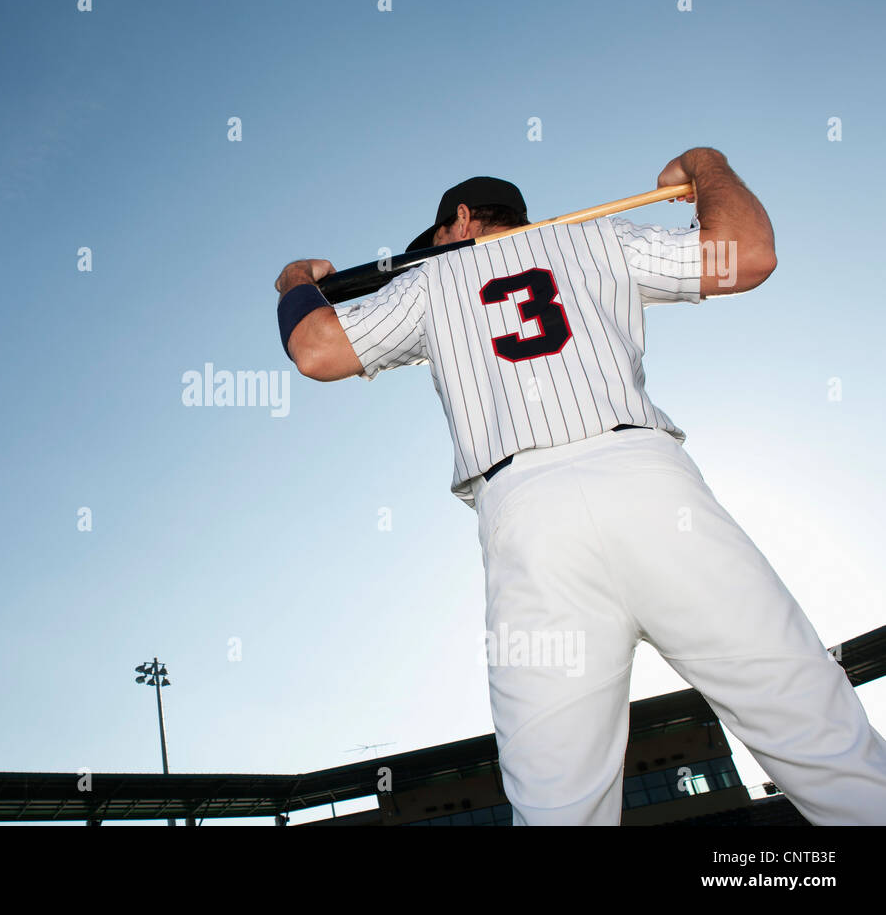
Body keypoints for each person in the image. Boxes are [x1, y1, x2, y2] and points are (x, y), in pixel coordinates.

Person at [273, 148, 886, 824]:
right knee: (820, 737)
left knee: (558, 805)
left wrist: (296, 278)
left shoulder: (431, 280)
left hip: (529, 518)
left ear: (463, 218)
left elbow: (316, 348)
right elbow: (747, 252)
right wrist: (706, 166)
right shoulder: (599, 236)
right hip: (652, 487)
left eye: (439, 235)